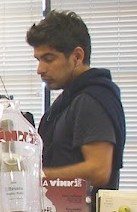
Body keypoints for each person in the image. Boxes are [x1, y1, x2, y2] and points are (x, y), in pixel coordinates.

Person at [26, 10, 126, 192]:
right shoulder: (68, 100)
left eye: (49, 59)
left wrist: (34, 177)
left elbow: (99, 170)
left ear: (77, 57)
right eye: (38, 60)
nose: (40, 69)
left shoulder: (91, 100)